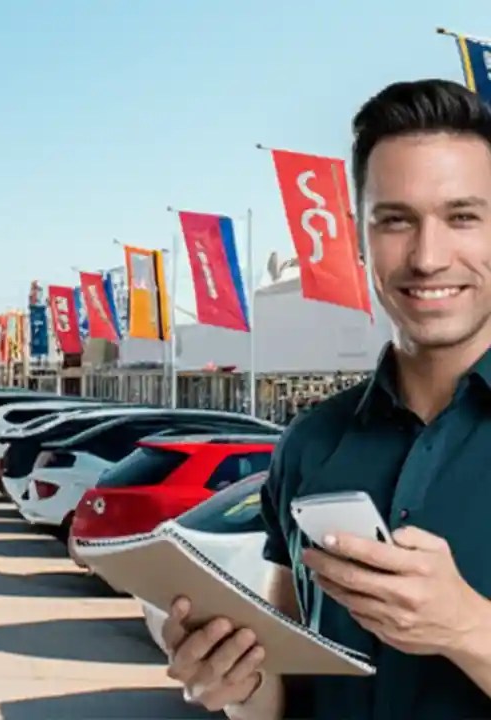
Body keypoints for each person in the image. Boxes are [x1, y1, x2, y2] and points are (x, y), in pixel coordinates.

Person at [161, 78, 491, 719]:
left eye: (462, 217)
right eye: (395, 220)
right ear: (360, 236)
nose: (426, 257)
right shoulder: (310, 444)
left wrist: (467, 628)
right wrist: (239, 686)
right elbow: (290, 692)